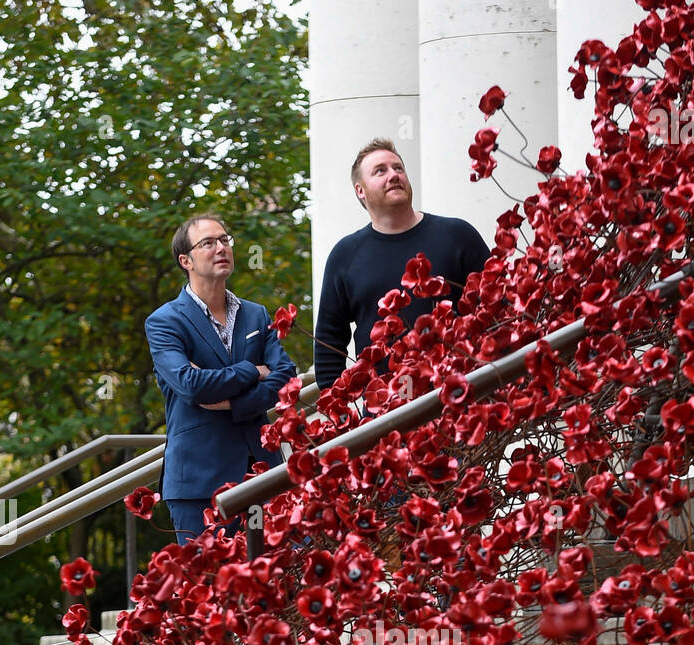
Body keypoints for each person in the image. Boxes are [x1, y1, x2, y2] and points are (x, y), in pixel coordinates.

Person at [145, 213, 297, 543]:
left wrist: (231, 401)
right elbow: (190, 385)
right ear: (185, 260)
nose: (221, 248)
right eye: (208, 243)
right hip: (199, 484)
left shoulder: (256, 313)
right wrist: (252, 371)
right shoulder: (164, 322)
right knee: (210, 591)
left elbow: (286, 376)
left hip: (263, 472)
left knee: (276, 585)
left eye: (225, 240)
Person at [313, 139, 490, 391]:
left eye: (398, 168)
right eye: (380, 171)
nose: (394, 175)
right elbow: (328, 346)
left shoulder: (457, 235)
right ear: (360, 190)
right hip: (384, 416)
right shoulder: (344, 256)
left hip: (461, 400)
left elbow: (497, 307)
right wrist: (341, 414)